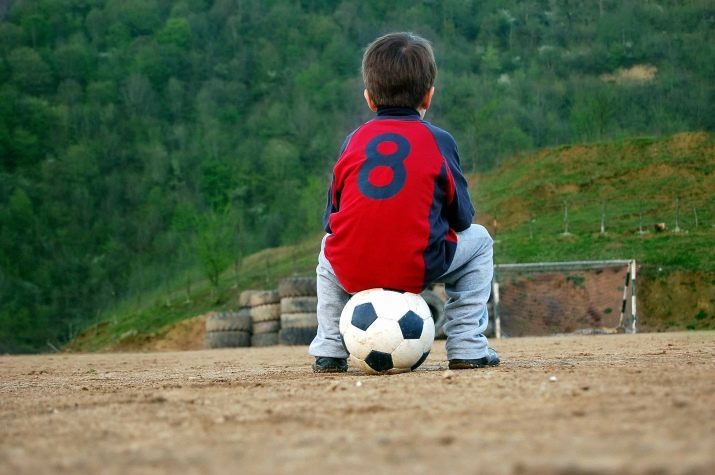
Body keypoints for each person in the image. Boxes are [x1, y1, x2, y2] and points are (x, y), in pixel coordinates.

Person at [308, 32, 499, 373]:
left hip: (354, 267)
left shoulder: (353, 141)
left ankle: (329, 349)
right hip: (418, 265)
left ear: (369, 98)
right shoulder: (439, 141)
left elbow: (330, 219)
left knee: (328, 248)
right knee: (481, 241)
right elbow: (462, 219)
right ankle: (467, 346)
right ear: (429, 95)